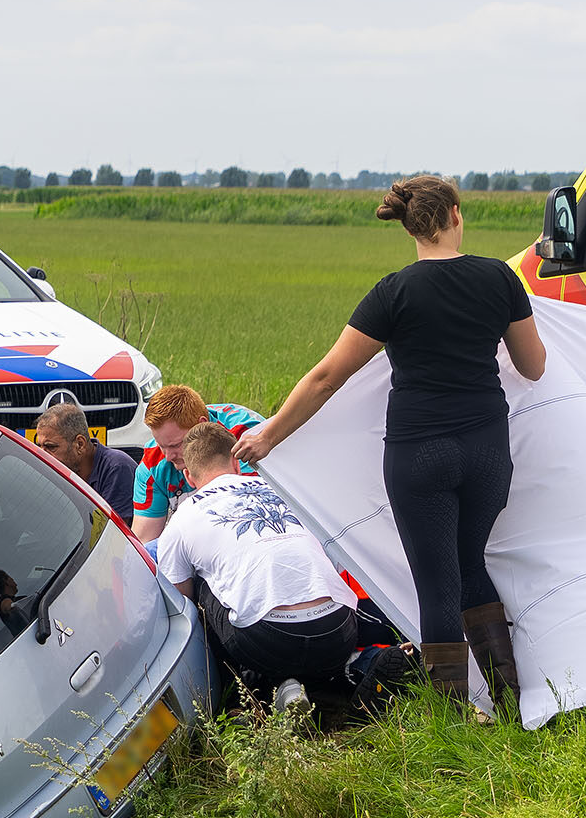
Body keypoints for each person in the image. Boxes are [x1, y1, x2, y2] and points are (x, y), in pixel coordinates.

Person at [234, 174, 545, 716]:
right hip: (487, 452)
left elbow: (327, 376)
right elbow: (533, 367)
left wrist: (267, 434)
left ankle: (452, 723)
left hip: (418, 454)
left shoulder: (393, 292)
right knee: (471, 565)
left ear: (409, 228)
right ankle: (512, 706)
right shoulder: (499, 278)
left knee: (437, 584)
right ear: (454, 215)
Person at [156, 422, 358, 714]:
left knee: (200, 586)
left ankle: (243, 697)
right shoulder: (284, 490)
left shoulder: (183, 518)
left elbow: (180, 600)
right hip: (339, 629)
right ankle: (338, 678)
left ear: (188, 475)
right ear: (235, 462)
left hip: (268, 640)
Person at [131, 385, 264, 544]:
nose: (168, 457)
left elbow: (250, 518)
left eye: (175, 445)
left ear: (201, 425)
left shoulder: (245, 438)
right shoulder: (152, 464)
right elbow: (144, 542)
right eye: (162, 446)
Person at [34, 401, 137, 523]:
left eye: (50, 447)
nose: (42, 454)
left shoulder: (117, 468)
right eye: (39, 446)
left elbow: (112, 535)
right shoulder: (60, 473)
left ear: (80, 444)